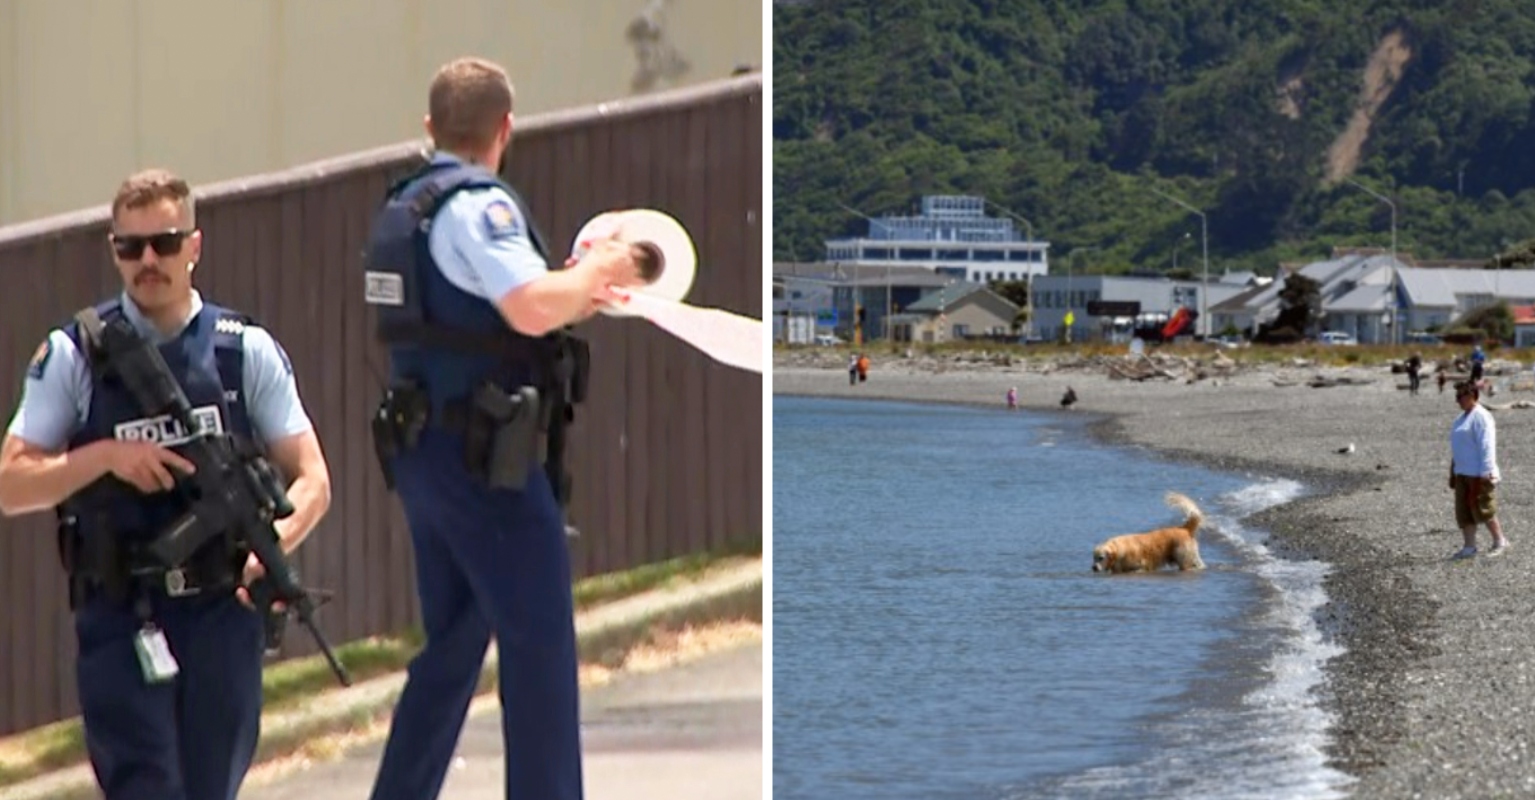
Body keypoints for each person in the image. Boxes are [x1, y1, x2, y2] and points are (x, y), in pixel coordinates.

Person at [360, 57, 646, 800]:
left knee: (454, 643)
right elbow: (527, 305)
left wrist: (573, 289)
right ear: (505, 129)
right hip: (486, 463)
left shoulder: (406, 207)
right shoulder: (476, 207)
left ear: (430, 128)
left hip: (423, 450)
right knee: (539, 649)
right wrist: (598, 271)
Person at [0, 169, 332, 799]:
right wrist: (103, 457)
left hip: (221, 617)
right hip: (124, 615)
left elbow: (313, 476)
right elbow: (12, 485)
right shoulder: (75, 355)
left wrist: (280, 542)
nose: (148, 261)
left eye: (166, 243)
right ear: (113, 250)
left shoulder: (244, 351)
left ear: (195, 247)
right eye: (131, 247)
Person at [1448, 381, 1507, 559]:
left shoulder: (1481, 416)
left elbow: (1487, 445)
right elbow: (1458, 447)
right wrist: (1453, 471)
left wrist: (1486, 472)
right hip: (1462, 472)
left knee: (1484, 508)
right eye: (1456, 396)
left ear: (1472, 396)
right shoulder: (1460, 419)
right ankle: (1469, 546)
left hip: (1478, 473)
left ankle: (1499, 540)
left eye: (1460, 396)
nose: (1457, 400)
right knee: (1464, 511)